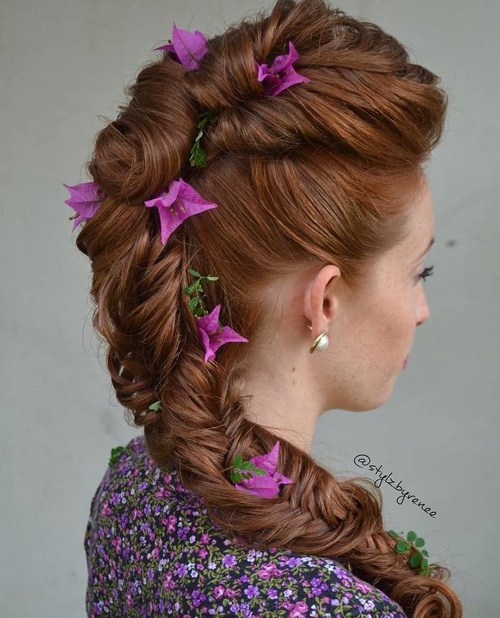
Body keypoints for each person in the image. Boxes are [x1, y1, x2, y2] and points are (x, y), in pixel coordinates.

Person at [73, 0, 463, 615]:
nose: (423, 311)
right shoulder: (322, 604)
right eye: (419, 272)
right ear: (325, 300)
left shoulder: (134, 484)